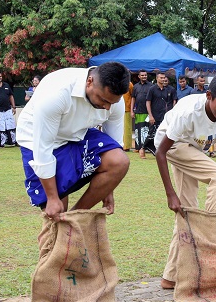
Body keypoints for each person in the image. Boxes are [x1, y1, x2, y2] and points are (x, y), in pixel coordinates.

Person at [154, 73, 216, 289]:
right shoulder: (188, 111)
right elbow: (161, 152)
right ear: (209, 95)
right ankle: (210, 235)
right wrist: (170, 193)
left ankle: (170, 276)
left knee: (186, 212)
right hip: (173, 146)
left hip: (193, 150)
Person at [17, 62, 131, 219]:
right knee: (57, 210)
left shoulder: (112, 102)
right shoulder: (56, 94)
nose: (106, 107)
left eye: (112, 103)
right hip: (38, 137)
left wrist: (107, 190)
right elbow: (43, 149)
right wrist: (51, 197)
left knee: (119, 161)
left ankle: (74, 218)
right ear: (89, 81)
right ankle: (63, 223)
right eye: (102, 99)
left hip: (78, 133)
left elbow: (113, 143)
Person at [145, 70, 176, 153]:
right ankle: (142, 149)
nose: (163, 79)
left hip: (164, 115)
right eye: (161, 78)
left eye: (164, 78)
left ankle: (160, 150)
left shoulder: (167, 90)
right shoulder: (152, 89)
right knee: (151, 133)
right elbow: (148, 102)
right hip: (154, 115)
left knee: (162, 134)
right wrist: (150, 115)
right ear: (157, 78)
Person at [132, 70, 152, 159]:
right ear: (139, 76)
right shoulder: (135, 86)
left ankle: (146, 147)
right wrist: (132, 110)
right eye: (142, 75)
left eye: (145, 75)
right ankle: (139, 147)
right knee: (138, 131)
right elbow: (133, 99)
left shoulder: (151, 86)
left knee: (147, 130)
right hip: (138, 112)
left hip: (148, 113)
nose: (144, 76)